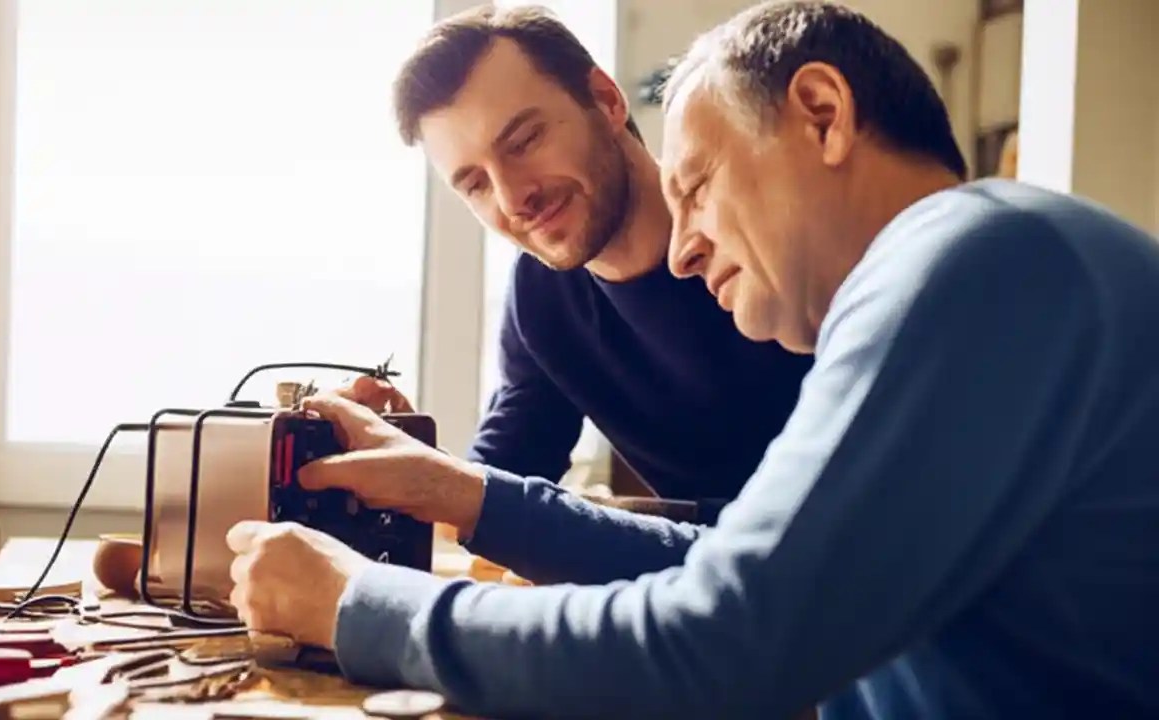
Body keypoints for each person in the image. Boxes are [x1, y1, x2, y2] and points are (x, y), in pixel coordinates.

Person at [228, 2, 1159, 718]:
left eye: (700, 187)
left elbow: (722, 639)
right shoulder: (983, 263)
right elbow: (731, 568)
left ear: (823, 115)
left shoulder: (976, 259)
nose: (681, 251)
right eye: (472, 181)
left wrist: (360, 604)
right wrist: (458, 491)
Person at [346, 3, 812, 517]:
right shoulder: (542, 293)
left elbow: (836, 518)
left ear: (607, 100)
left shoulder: (762, 238)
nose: (512, 197)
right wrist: (406, 465)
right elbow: (505, 474)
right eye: (476, 184)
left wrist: (604, 520)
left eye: (524, 141)